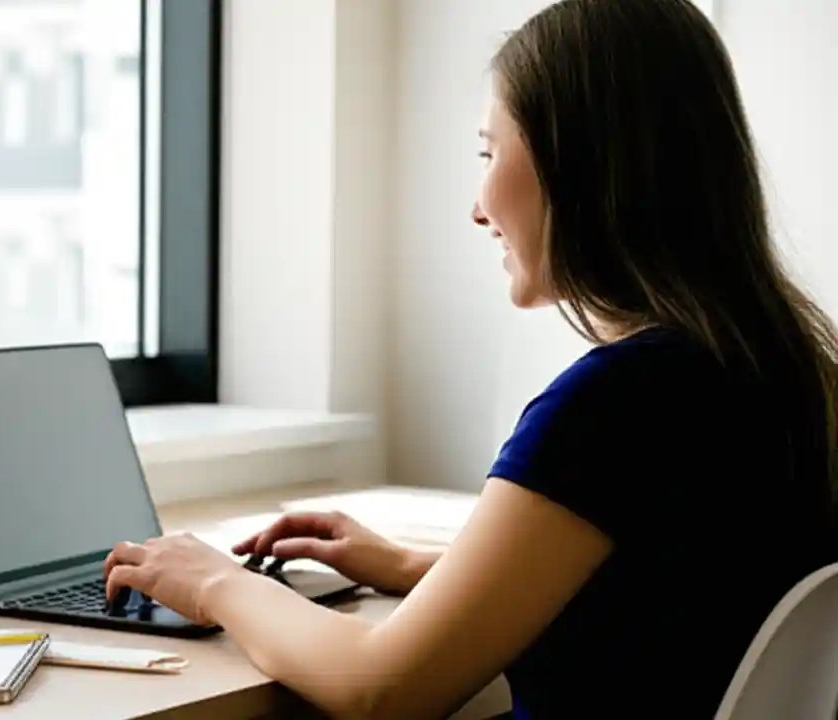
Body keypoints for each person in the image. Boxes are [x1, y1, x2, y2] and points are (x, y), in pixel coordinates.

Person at [103, 0, 838, 717]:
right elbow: (667, 594)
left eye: (490, 154)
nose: (478, 207)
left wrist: (213, 583)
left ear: (580, 167)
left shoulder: (613, 406)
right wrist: (411, 568)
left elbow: (381, 691)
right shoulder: (788, 370)